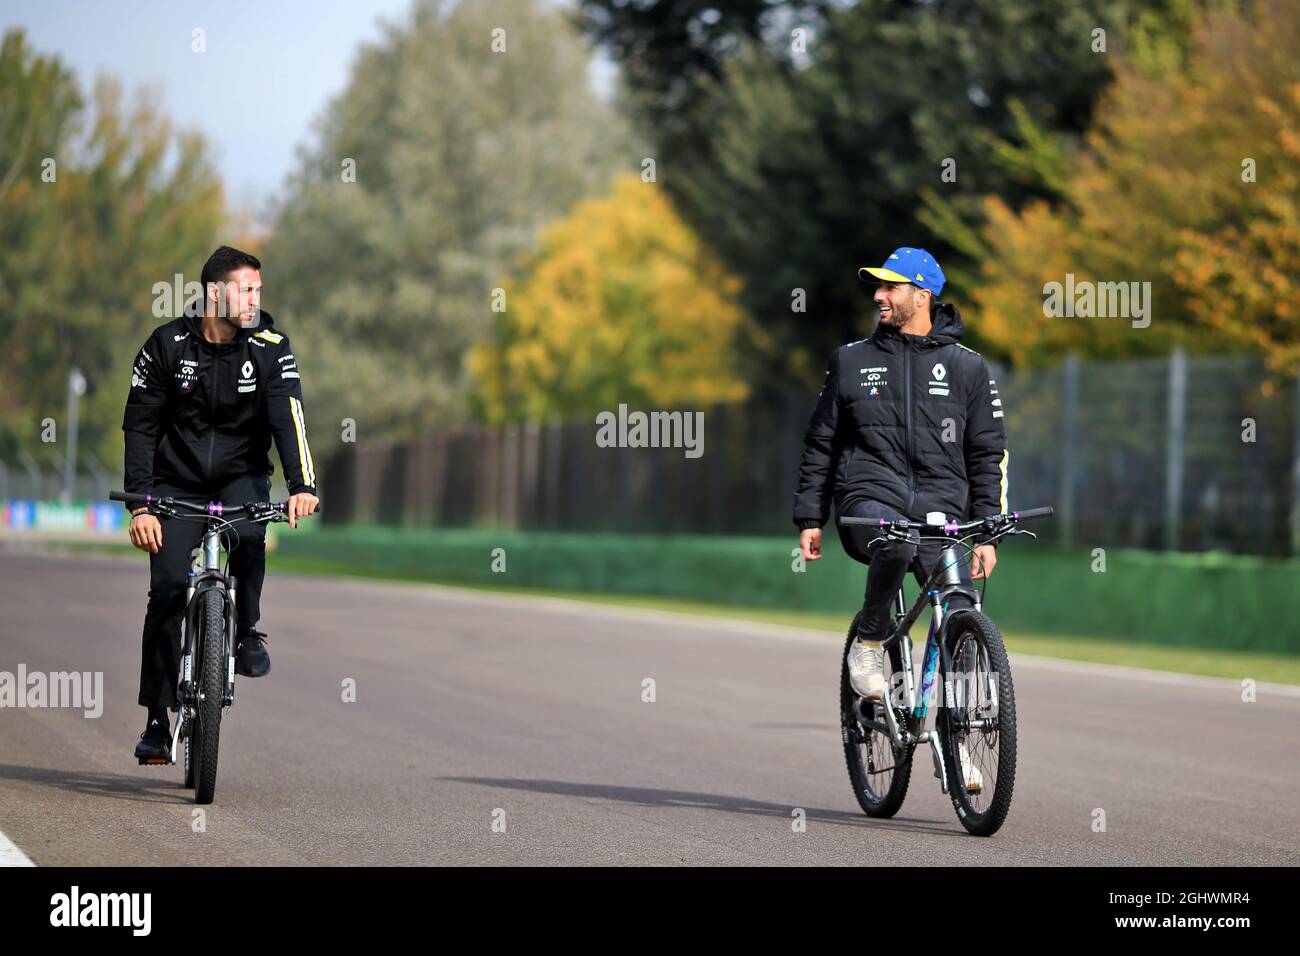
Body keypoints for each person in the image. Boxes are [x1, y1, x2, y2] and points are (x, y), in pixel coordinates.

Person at [793, 247, 1008, 774]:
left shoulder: (969, 369)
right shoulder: (851, 359)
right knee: (896, 538)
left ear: (922, 293)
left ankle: (957, 743)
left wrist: (986, 533)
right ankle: (869, 641)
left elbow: (988, 455)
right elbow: (820, 443)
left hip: (943, 511)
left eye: (890, 287)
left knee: (960, 610)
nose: (878, 296)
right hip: (870, 501)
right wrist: (810, 517)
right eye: (878, 286)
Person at [122, 246, 319, 761]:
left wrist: (302, 486)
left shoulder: (272, 348)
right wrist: (141, 507)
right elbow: (140, 427)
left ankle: (248, 630)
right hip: (174, 485)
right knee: (166, 590)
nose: (255, 299)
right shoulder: (165, 346)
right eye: (245, 289)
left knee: (252, 536)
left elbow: (288, 418)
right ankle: (156, 721)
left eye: (258, 289)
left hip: (241, 478)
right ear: (215, 293)